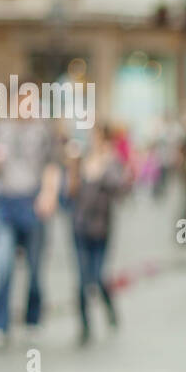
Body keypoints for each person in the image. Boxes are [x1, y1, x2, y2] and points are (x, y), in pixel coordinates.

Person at [0, 91, 61, 349]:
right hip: (6, 203)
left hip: (32, 202)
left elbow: (52, 165)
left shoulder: (43, 130)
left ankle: (33, 317)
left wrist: (48, 194)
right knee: (3, 264)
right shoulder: (1, 129)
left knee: (35, 266)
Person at [67, 123, 125, 345]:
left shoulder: (111, 162)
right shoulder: (79, 162)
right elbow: (69, 193)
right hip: (80, 227)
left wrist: (103, 168)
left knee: (99, 276)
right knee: (82, 279)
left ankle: (109, 307)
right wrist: (74, 167)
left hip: (101, 228)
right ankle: (84, 325)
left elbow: (118, 189)